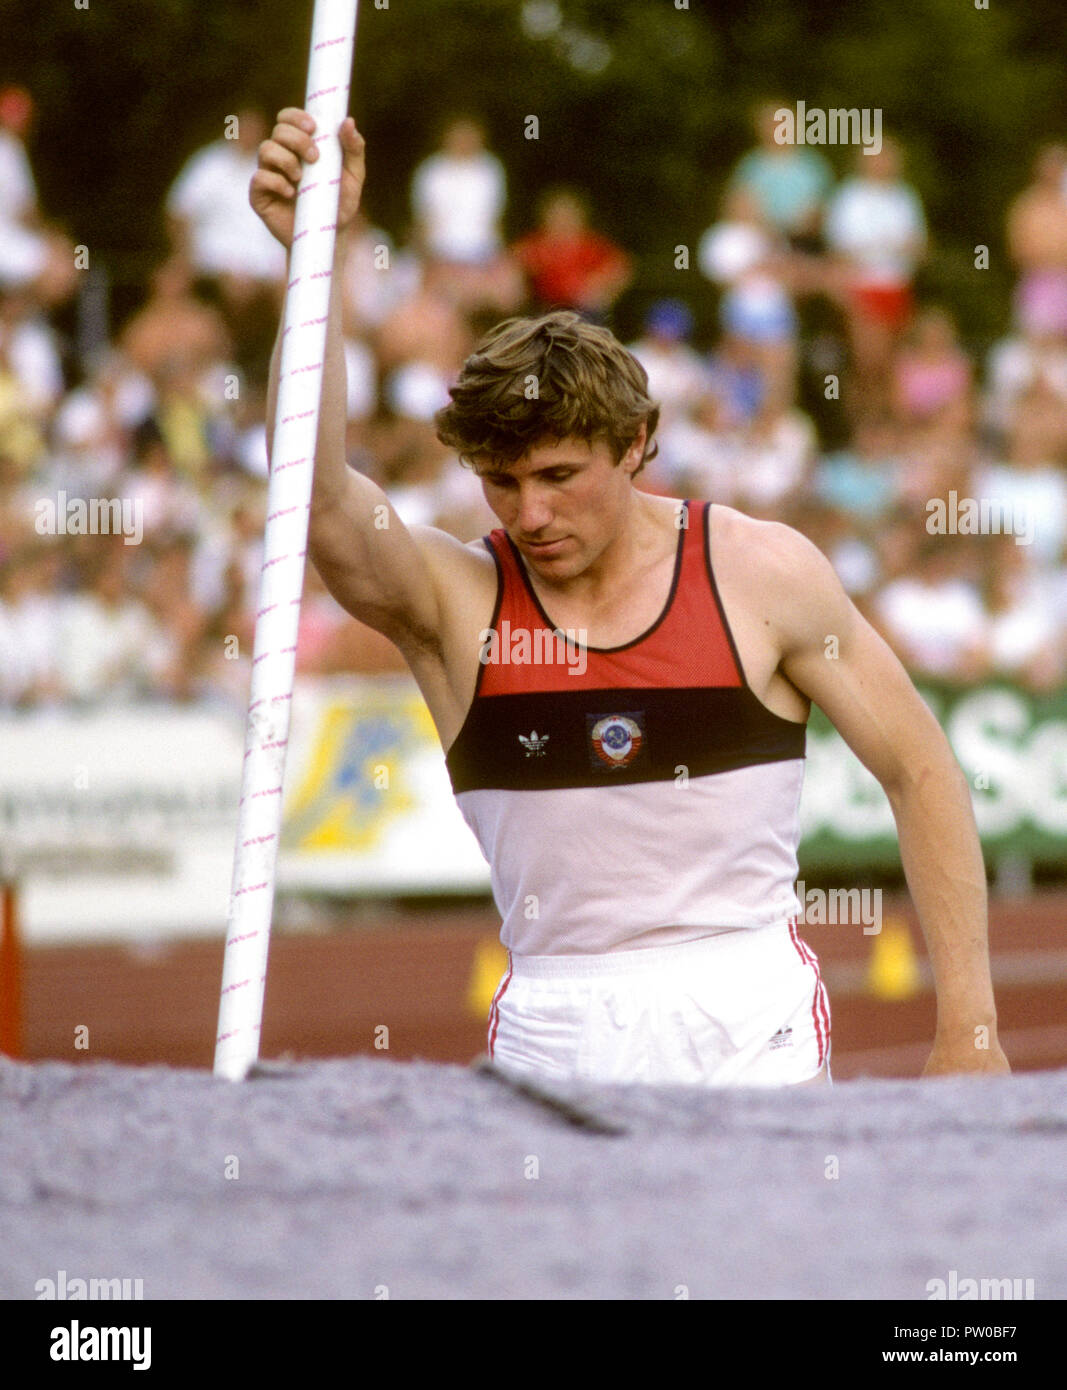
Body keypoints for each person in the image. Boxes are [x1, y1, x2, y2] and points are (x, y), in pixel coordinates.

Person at [249, 107, 1009, 1088]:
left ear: (636, 442)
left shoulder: (759, 572)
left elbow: (918, 769)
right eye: (502, 481)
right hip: (553, 1024)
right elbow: (311, 497)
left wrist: (971, 1028)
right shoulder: (455, 596)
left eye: (560, 476)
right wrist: (316, 259)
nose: (529, 512)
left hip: (747, 1019)